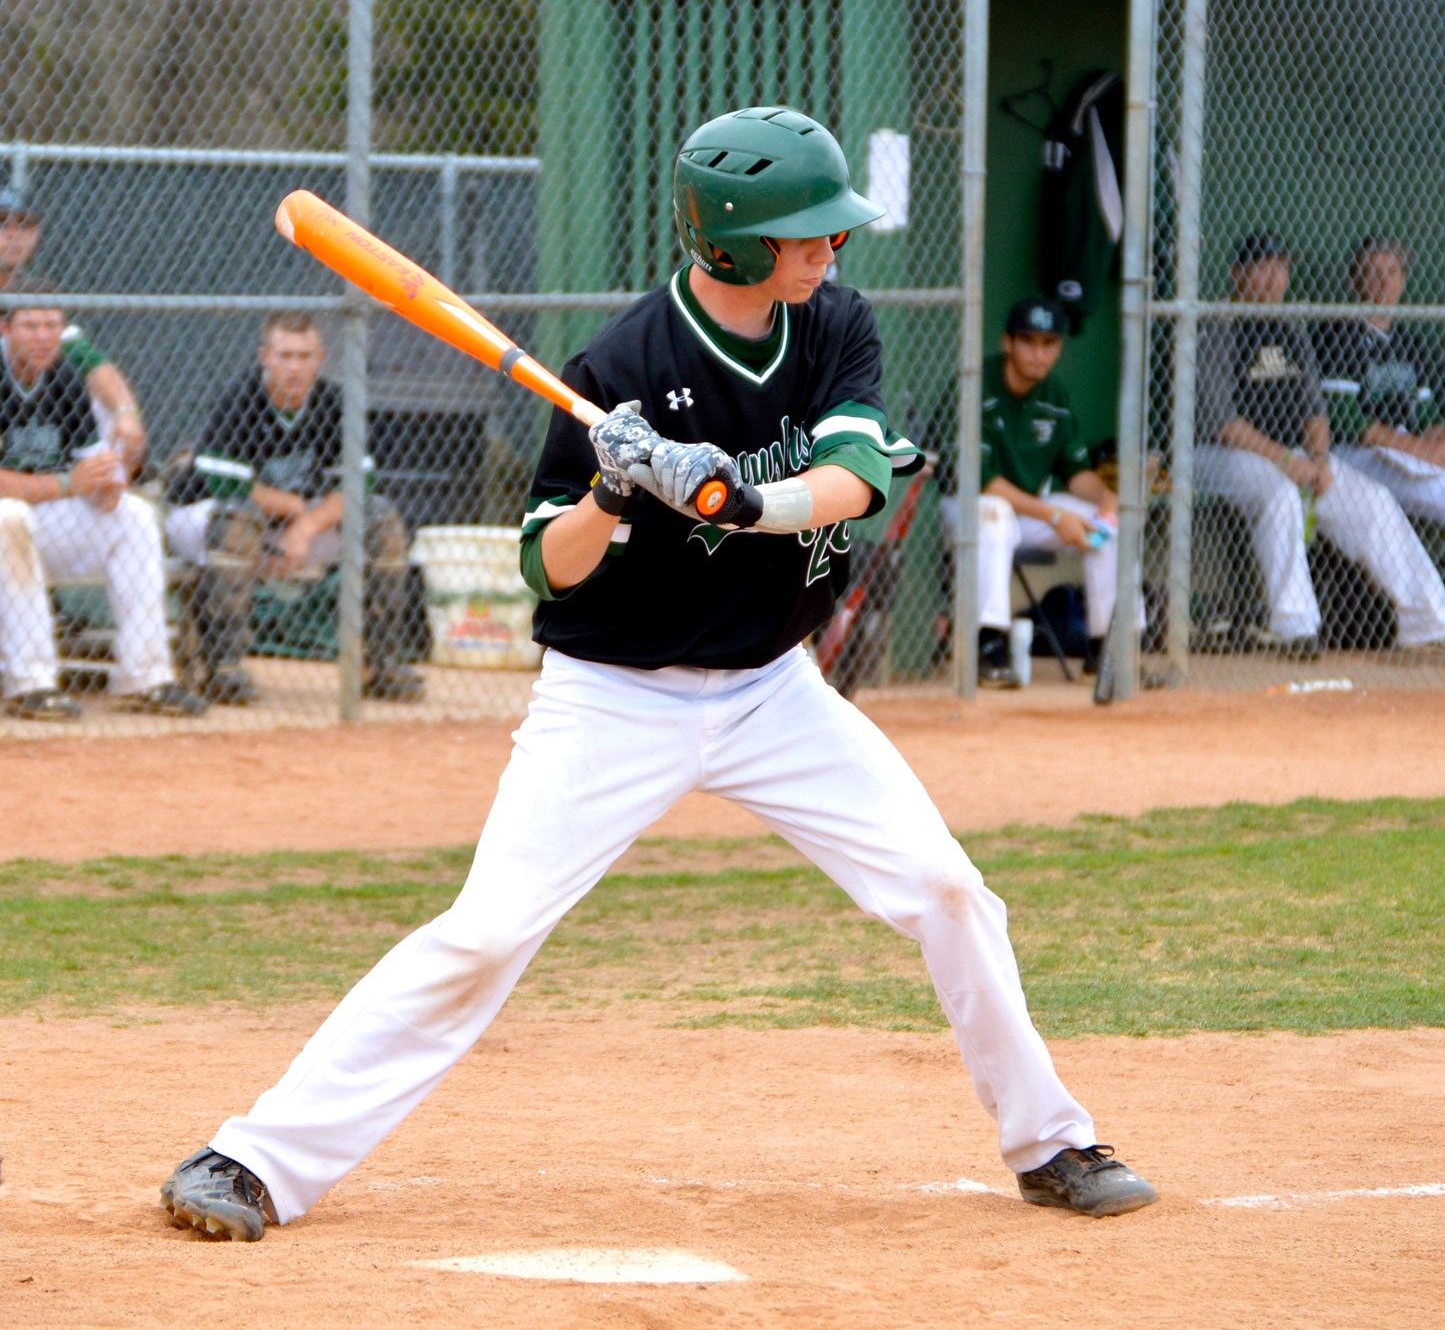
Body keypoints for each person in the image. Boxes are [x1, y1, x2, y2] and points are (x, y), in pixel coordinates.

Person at [159, 106, 1156, 1243]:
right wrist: (611, 491)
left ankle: (1049, 1142)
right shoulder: (619, 366)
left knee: (946, 889)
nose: (831, 249)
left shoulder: (834, 321)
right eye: (808, 232)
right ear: (733, 242)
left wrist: (736, 497)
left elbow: (855, 476)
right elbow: (547, 565)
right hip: (614, 694)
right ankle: (254, 1159)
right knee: (486, 932)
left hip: (773, 689)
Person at [1195, 233, 1445, 658]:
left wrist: (1319, 458)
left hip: (1293, 455)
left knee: (1373, 502)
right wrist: (1286, 460)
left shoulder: (1291, 325)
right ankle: (1296, 629)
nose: (1274, 279)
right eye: (1262, 268)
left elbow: (1315, 410)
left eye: (1281, 268)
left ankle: (1428, 625)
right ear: (1237, 274)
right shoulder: (1217, 324)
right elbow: (1224, 424)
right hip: (1218, 455)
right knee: (1279, 494)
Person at [164, 310, 423, 705]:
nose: (294, 368)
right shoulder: (240, 398)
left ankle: (382, 664)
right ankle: (221, 668)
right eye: (284, 356)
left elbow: (358, 484)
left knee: (381, 519)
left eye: (303, 356)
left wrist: (304, 528)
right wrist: (292, 507)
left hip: (292, 530)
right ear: (265, 357)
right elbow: (228, 485)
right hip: (203, 519)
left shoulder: (333, 402)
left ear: (320, 358)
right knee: (239, 519)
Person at [0, 292, 207, 719]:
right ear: (5, 329)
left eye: (52, 326)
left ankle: (144, 677)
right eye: (31, 326)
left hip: (43, 519)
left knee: (134, 515)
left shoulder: (65, 377)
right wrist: (67, 484)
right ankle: (30, 684)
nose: (43, 337)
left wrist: (109, 481)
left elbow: (89, 464)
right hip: (10, 518)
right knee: (10, 516)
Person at [971, 296, 1125, 689]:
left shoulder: (1054, 393)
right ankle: (989, 645)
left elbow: (1075, 473)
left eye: (1049, 343)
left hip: (1027, 514)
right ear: (1007, 342)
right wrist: (1055, 517)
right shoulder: (977, 383)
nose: (1038, 353)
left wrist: (1106, 498)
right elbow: (981, 479)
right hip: (968, 509)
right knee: (993, 513)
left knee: (1108, 526)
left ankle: (1105, 649)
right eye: (1028, 341)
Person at [0, 188, 148, 476]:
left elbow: (90, 360)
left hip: (23, 421)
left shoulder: (34, 293)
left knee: (99, 397)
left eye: (25, 225)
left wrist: (126, 412)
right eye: (3, 223)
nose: (14, 235)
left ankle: (109, 481)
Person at [1315, 236, 1445, 527]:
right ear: (1355, 281)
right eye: (1373, 273)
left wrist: (1439, 443)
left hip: (1405, 451)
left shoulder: (1409, 341)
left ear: (1403, 279)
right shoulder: (1338, 334)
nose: (1384, 283)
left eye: (1392, 272)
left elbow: (1425, 414)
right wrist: (1422, 450)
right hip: (1356, 453)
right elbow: (1347, 421)